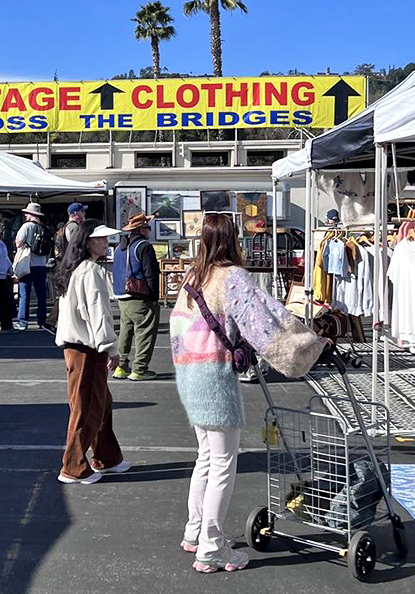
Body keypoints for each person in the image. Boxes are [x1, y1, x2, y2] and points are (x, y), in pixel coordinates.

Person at [170, 213, 326, 573]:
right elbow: (265, 323)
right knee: (223, 464)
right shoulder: (232, 277)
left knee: (206, 457)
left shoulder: (194, 276)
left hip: (189, 376)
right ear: (233, 239)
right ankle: (211, 548)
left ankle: (195, 531)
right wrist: (310, 344)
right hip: (214, 379)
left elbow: (179, 328)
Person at [55, 219, 131, 484]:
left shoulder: (76, 268)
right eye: (100, 238)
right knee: (87, 407)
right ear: (87, 242)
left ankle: (107, 457)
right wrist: (110, 348)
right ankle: (73, 467)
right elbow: (98, 314)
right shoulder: (91, 271)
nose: (106, 242)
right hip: (87, 348)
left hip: (79, 346)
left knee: (100, 403)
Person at [112, 211, 161, 381]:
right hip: (139, 295)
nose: (150, 231)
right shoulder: (143, 246)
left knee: (125, 332)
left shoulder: (120, 247)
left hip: (122, 295)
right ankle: (140, 369)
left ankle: (121, 366)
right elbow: (150, 274)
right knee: (144, 331)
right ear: (141, 229)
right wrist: (154, 297)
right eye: (148, 228)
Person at [14, 202, 52, 332]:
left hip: (28, 264)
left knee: (24, 294)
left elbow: (18, 243)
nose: (25, 215)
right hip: (41, 264)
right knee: (42, 295)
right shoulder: (45, 228)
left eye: (27, 213)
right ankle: (42, 320)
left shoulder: (26, 226)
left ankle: (23, 321)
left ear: (31, 214)